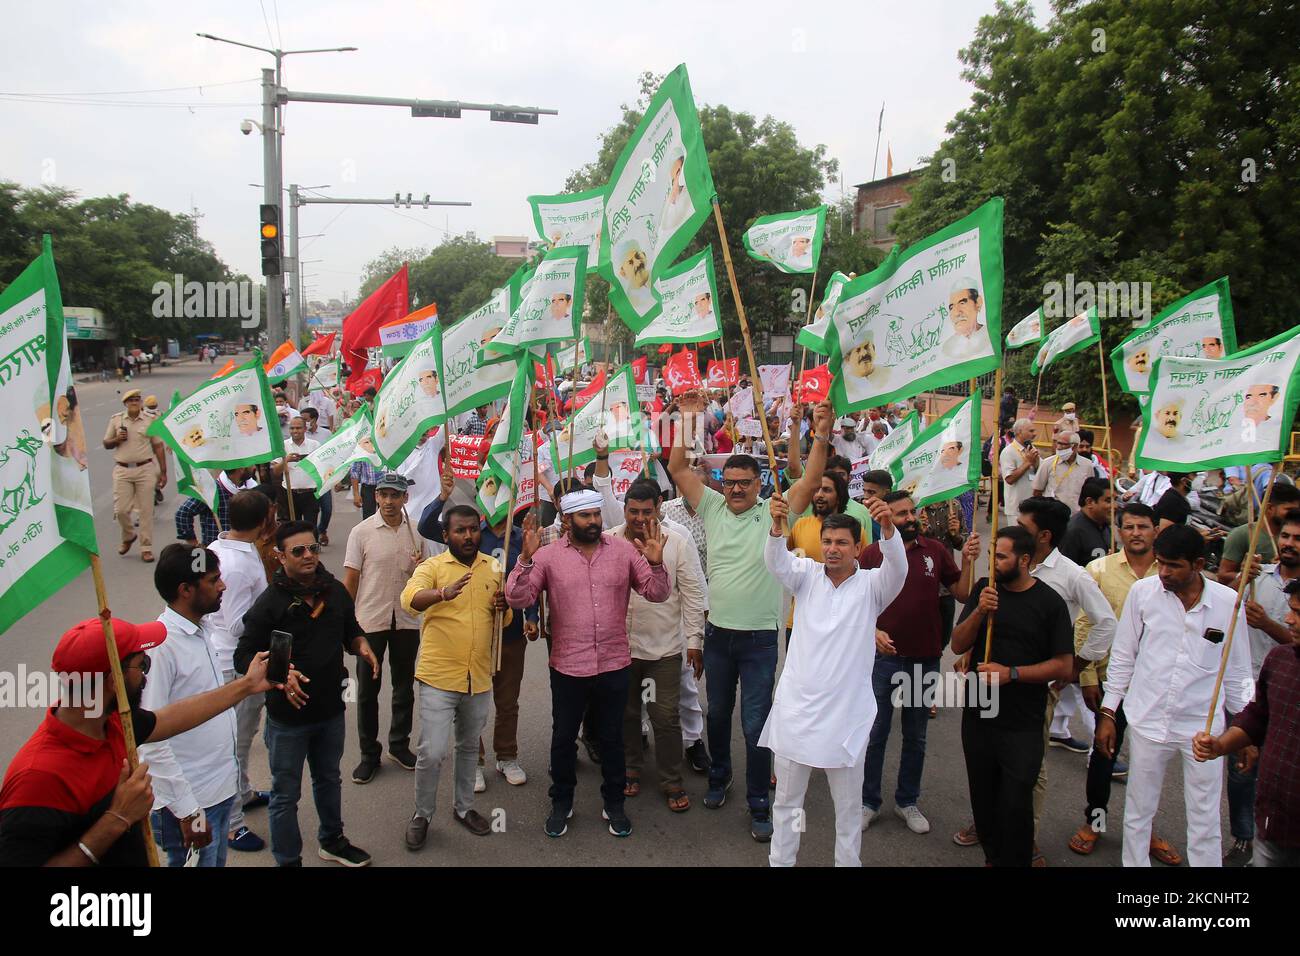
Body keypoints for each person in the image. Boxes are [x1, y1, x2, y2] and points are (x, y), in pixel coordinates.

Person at [667, 393, 832, 842]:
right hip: (718, 637)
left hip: (760, 640)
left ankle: (761, 802)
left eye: (745, 482)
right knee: (718, 715)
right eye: (730, 481)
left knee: (757, 724)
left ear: (760, 484)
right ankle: (720, 779)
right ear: (722, 482)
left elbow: (813, 477)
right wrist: (686, 419)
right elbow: (679, 468)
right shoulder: (713, 506)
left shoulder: (776, 511)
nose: (736, 488)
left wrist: (820, 432)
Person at [0, 617, 275, 866]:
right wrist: (116, 820)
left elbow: (170, 718)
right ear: (112, 682)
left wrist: (247, 685)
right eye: (142, 664)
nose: (146, 674)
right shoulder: (37, 779)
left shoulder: (109, 721)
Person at [505, 489, 671, 839]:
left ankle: (614, 805)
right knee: (563, 738)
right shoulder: (548, 557)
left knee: (612, 738)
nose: (594, 522)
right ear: (567, 521)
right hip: (568, 666)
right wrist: (524, 560)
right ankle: (561, 802)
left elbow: (657, 593)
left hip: (614, 663)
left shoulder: (625, 551)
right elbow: (518, 598)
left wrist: (656, 562)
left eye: (596, 514)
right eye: (585, 516)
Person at [1096, 524, 1252, 867]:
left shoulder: (1228, 603)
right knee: (1138, 812)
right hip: (1148, 718)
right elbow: (1123, 656)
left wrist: (1246, 733)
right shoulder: (1143, 593)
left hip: (1203, 727)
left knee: (1205, 818)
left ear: (1198, 564)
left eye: (1173, 565)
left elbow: (1239, 672)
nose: (1163, 572)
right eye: (1160, 563)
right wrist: (1108, 713)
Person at [763, 495, 906, 866]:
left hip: (846, 719)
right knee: (787, 804)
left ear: (859, 547)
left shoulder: (873, 587)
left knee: (847, 810)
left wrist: (888, 529)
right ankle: (781, 862)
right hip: (798, 714)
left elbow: (899, 570)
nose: (832, 549)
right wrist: (777, 528)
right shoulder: (806, 576)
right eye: (827, 541)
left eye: (842, 542)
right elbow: (776, 562)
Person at [234, 521, 379, 867]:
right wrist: (281, 674)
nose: (308, 555)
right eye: (298, 551)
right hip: (288, 719)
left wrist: (361, 645)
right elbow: (243, 656)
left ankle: (332, 841)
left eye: (312, 548)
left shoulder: (334, 591)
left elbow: (351, 628)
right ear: (279, 556)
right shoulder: (270, 603)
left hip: (331, 710)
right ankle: (288, 860)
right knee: (285, 795)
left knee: (329, 779)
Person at [950, 526, 1074, 867]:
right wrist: (979, 612)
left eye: (1000, 556)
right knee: (984, 801)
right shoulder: (984, 590)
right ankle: (992, 858)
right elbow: (958, 645)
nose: (994, 562)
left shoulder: (1049, 602)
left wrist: (1012, 674)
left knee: (1016, 806)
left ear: (1024, 559)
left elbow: (1063, 666)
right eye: (992, 555)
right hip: (979, 717)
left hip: (1022, 722)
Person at [1065, 503, 1181, 863]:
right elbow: (1085, 624)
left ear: (1154, 531)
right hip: (1108, 680)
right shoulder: (1098, 570)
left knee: (1151, 764)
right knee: (1103, 757)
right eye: (1128, 527)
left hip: (1158, 686)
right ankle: (1094, 823)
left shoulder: (1172, 573)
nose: (1135, 533)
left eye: (1143, 527)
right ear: (1119, 531)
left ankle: (1144, 830)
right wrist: (1085, 677)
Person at [860, 491, 979, 834]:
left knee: (915, 735)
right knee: (876, 732)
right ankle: (868, 802)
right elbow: (855, 604)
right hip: (883, 661)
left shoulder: (936, 551)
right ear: (887, 519)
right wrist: (873, 631)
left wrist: (969, 560)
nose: (910, 518)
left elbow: (960, 593)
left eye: (912, 512)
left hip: (924, 659)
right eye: (901, 514)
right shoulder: (871, 554)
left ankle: (907, 801)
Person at [418, 460, 539, 790]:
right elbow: (427, 526)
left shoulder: (523, 538)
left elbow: (532, 581)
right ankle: (474, 761)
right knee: (472, 702)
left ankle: (506, 756)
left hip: (511, 635)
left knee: (507, 701)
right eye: (493, 491)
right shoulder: (469, 534)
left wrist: (530, 618)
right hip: (474, 636)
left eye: (505, 493)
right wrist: (442, 497)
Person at [399, 504, 510, 849]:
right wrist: (441, 594)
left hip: (478, 677)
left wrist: (504, 608)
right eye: (460, 531)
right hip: (438, 676)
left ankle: (463, 808)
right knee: (431, 752)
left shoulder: (493, 566)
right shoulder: (432, 567)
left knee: (467, 749)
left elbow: (501, 624)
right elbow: (409, 600)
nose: (468, 536)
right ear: (445, 535)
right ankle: (422, 814)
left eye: (473, 529)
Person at [139, 544, 244, 867]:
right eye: (214, 580)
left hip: (219, 792)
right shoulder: (161, 647)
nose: (223, 586)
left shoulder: (202, 629)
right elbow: (150, 739)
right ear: (185, 590)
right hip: (191, 805)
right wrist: (187, 810)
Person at [610, 479, 706, 812]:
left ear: (660, 507)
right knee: (626, 714)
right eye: (632, 511)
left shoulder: (677, 542)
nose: (639, 518)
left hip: (664, 649)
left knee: (665, 718)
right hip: (619, 649)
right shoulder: (609, 540)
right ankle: (631, 768)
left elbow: (694, 594)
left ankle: (671, 780)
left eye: (646, 511)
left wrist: (695, 640)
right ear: (624, 509)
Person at [1193, 577, 1300, 867]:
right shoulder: (1279, 660)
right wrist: (1220, 745)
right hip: (1273, 822)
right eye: (1291, 610)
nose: (1289, 619)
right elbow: (1257, 716)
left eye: (1298, 613)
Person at [1220, 509, 1300, 865]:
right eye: (1285, 537)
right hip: (1245, 682)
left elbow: (1290, 644)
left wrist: (1268, 624)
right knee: (1242, 768)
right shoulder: (1259, 577)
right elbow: (1225, 611)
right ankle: (1244, 835)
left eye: (1298, 539)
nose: (1290, 544)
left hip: (1288, 691)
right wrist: (1238, 580)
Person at [344, 474, 432, 785]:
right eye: (384, 495)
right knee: (367, 690)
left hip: (406, 619)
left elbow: (425, 577)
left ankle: (399, 745)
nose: (389, 501)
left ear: (405, 498)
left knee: (404, 687)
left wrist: (419, 566)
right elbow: (351, 580)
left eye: (395, 495)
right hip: (370, 621)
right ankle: (369, 754)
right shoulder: (361, 532)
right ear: (376, 497)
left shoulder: (415, 532)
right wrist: (347, 626)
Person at [206, 489, 275, 853]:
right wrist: (274, 604)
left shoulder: (230, 550)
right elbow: (235, 625)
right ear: (265, 521)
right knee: (235, 743)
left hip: (236, 660)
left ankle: (244, 792)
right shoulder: (236, 564)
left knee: (243, 739)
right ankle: (232, 825)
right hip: (236, 664)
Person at [103, 389, 168, 563]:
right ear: (125, 403)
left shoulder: (149, 420)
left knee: (146, 510)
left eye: (137, 399)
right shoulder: (116, 420)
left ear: (141, 403)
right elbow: (106, 443)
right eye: (131, 400)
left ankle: (146, 547)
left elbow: (158, 447)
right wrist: (116, 439)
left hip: (145, 469)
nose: (134, 402)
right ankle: (128, 535)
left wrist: (163, 471)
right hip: (122, 470)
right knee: (121, 510)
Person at [1217, 483, 1300, 586]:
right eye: (1290, 510)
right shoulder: (1242, 535)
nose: (1289, 543)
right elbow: (1223, 575)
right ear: (1269, 508)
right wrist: (1261, 572)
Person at [175, 468, 257, 547]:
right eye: (251, 464)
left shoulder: (254, 489)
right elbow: (183, 513)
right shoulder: (212, 490)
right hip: (216, 553)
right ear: (242, 468)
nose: (254, 467)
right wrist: (194, 544)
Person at [1059, 477, 1113, 567]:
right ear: (1090, 502)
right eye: (1108, 501)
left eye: (1115, 500)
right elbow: (1065, 570)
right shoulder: (1073, 531)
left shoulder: (1104, 525)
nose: (1115, 506)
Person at [1031, 431, 1089, 515]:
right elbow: (1037, 492)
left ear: (1075, 446)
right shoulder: (1047, 463)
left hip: (1075, 516)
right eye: (1058, 443)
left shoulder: (1087, 465)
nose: (1058, 447)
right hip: (1052, 515)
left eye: (1063, 444)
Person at [300, 407, 334, 545]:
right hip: (307, 479)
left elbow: (333, 454)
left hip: (324, 478)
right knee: (311, 511)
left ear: (314, 419)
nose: (304, 422)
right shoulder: (303, 435)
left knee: (327, 509)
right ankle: (311, 538)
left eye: (306, 420)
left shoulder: (326, 434)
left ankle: (322, 530)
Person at [1000, 418, 1040, 521]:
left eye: (1034, 431)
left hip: (1033, 504)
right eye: (1031, 431)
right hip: (1016, 508)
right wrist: (1028, 463)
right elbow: (1009, 479)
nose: (1034, 434)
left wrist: (1036, 464)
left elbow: (1040, 472)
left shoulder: (1031, 448)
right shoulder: (1008, 452)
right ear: (1019, 432)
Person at [350, 455, 382, 520]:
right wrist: (356, 494)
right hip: (368, 489)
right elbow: (355, 471)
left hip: (385, 488)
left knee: (386, 517)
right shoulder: (362, 449)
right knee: (368, 519)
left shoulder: (384, 446)